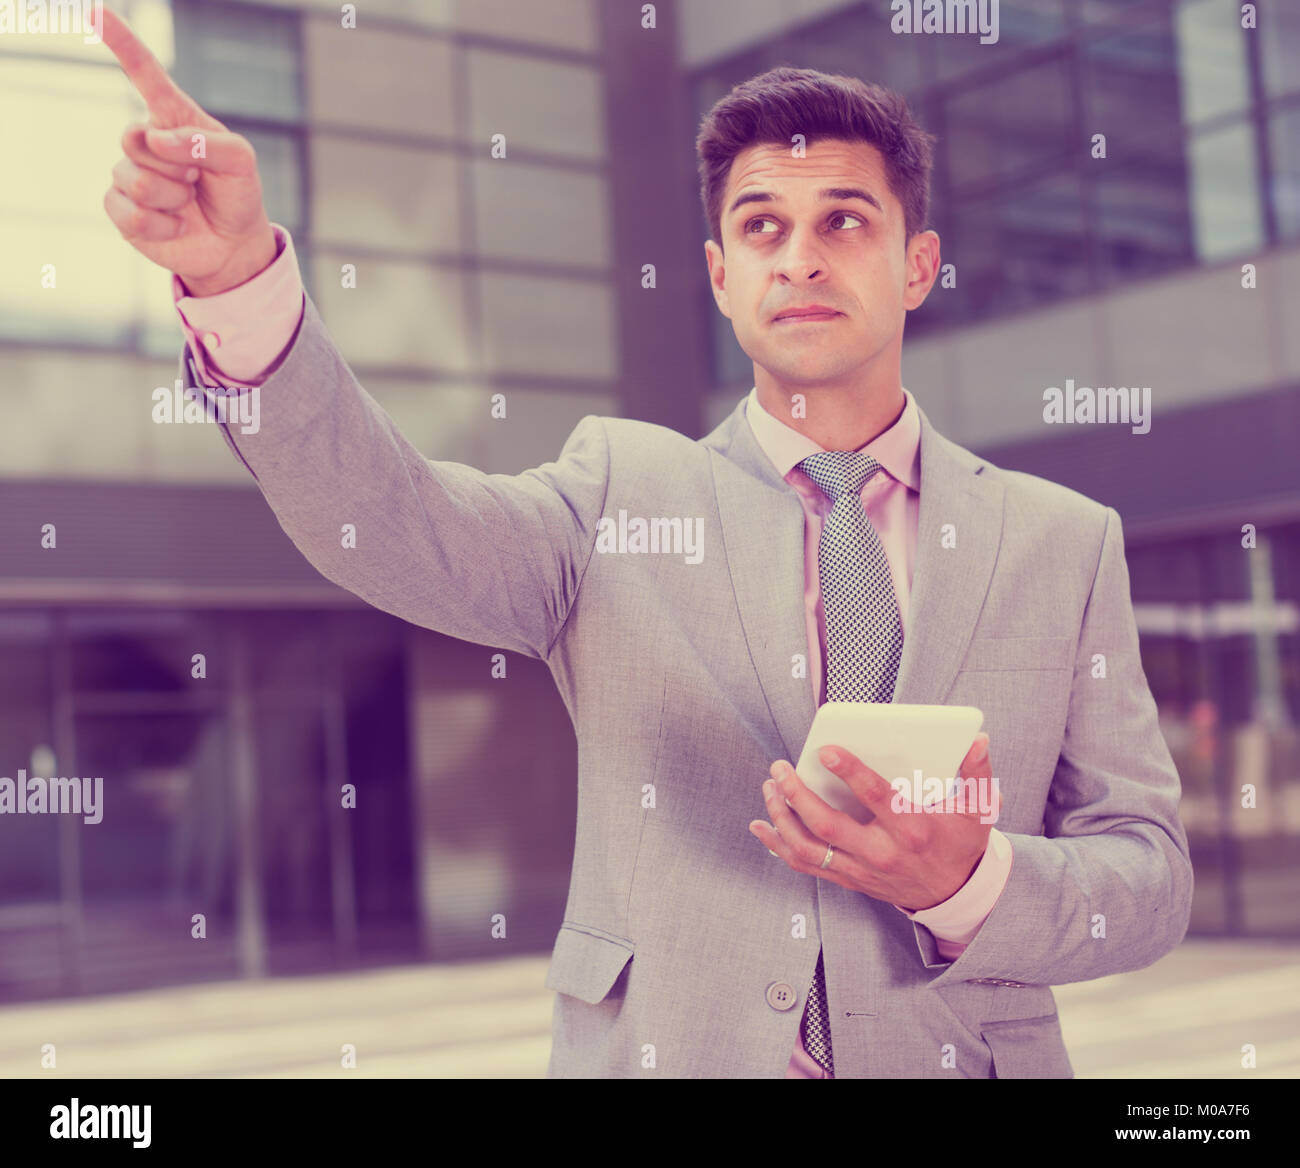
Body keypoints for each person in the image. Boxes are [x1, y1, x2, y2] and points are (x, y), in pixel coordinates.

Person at [100, 8, 1192, 1078]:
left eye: (845, 222)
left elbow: (1146, 877)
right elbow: (391, 524)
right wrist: (239, 280)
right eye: (762, 227)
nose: (800, 259)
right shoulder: (618, 493)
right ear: (721, 278)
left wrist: (972, 881)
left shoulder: (1060, 541)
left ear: (916, 266)